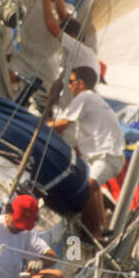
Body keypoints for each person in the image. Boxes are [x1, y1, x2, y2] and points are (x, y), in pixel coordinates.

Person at [50, 65, 124, 240]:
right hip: (105, 155)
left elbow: (60, 126)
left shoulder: (84, 97)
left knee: (84, 189)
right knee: (92, 188)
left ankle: (94, 236)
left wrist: (36, 128)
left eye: (71, 82)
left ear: (80, 84)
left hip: (107, 157)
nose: (69, 86)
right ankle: (102, 227)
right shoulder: (93, 100)